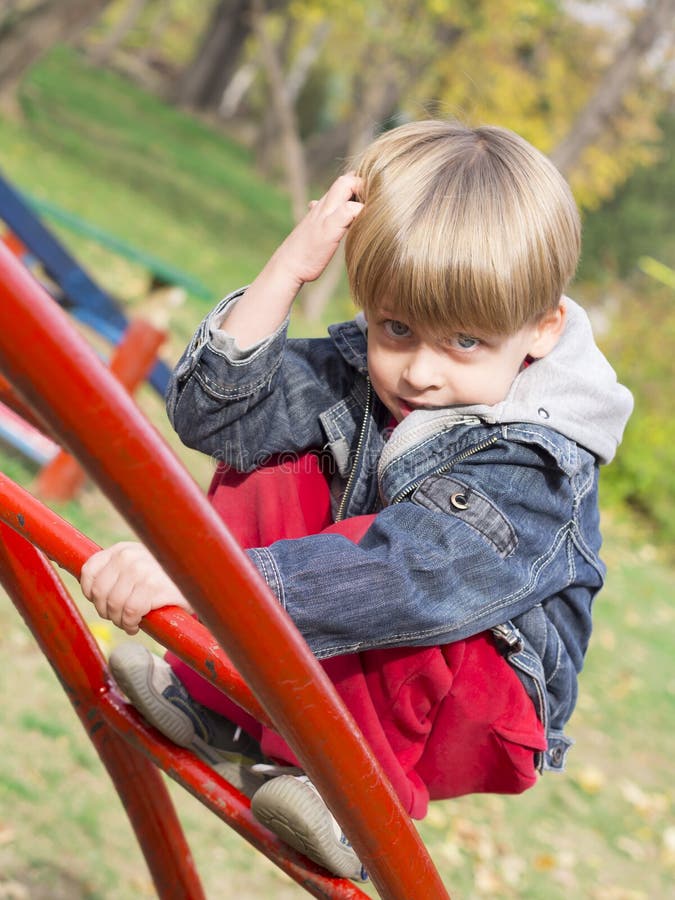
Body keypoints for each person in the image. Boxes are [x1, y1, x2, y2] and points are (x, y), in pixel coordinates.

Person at [81, 120, 633, 881]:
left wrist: (206, 584)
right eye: (396, 328)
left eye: (463, 343)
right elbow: (216, 420)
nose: (419, 371)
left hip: (477, 695)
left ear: (540, 331)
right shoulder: (363, 367)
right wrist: (287, 273)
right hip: (355, 650)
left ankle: (354, 799)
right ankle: (227, 705)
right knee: (267, 455)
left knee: (401, 559)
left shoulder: (538, 453)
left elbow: (416, 578)